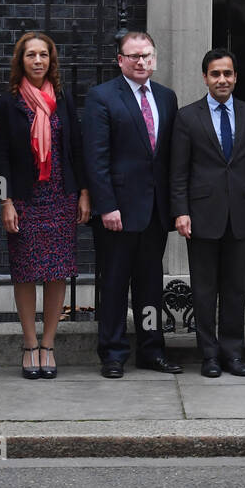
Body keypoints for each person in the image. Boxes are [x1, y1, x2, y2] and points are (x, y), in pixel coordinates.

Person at [82, 30, 182, 378]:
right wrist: (106, 206)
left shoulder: (167, 98)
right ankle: (112, 352)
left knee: (150, 286)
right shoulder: (102, 97)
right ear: (120, 59)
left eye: (147, 55)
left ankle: (151, 349)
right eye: (135, 56)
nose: (142, 62)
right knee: (113, 284)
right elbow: (95, 158)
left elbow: (168, 157)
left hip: (154, 210)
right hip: (118, 212)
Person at [0, 32, 90, 380]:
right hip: (23, 198)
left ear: (52, 60)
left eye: (44, 55)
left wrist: (83, 192)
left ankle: (49, 344)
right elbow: (0, 155)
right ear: (20, 61)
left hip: (60, 196)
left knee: (56, 271)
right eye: (31, 55)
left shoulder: (62, 99)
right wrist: (4, 201)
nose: (38, 61)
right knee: (25, 272)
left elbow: (76, 149)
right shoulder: (8, 103)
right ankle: (30, 344)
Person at [170, 48, 245, 378]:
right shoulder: (187, 117)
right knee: (204, 289)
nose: (222, 79)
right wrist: (181, 211)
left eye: (227, 74)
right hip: (201, 215)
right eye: (215, 74)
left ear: (236, 77)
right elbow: (178, 171)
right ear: (205, 78)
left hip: (240, 214)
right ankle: (209, 355)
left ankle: (232, 353)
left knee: (235, 290)